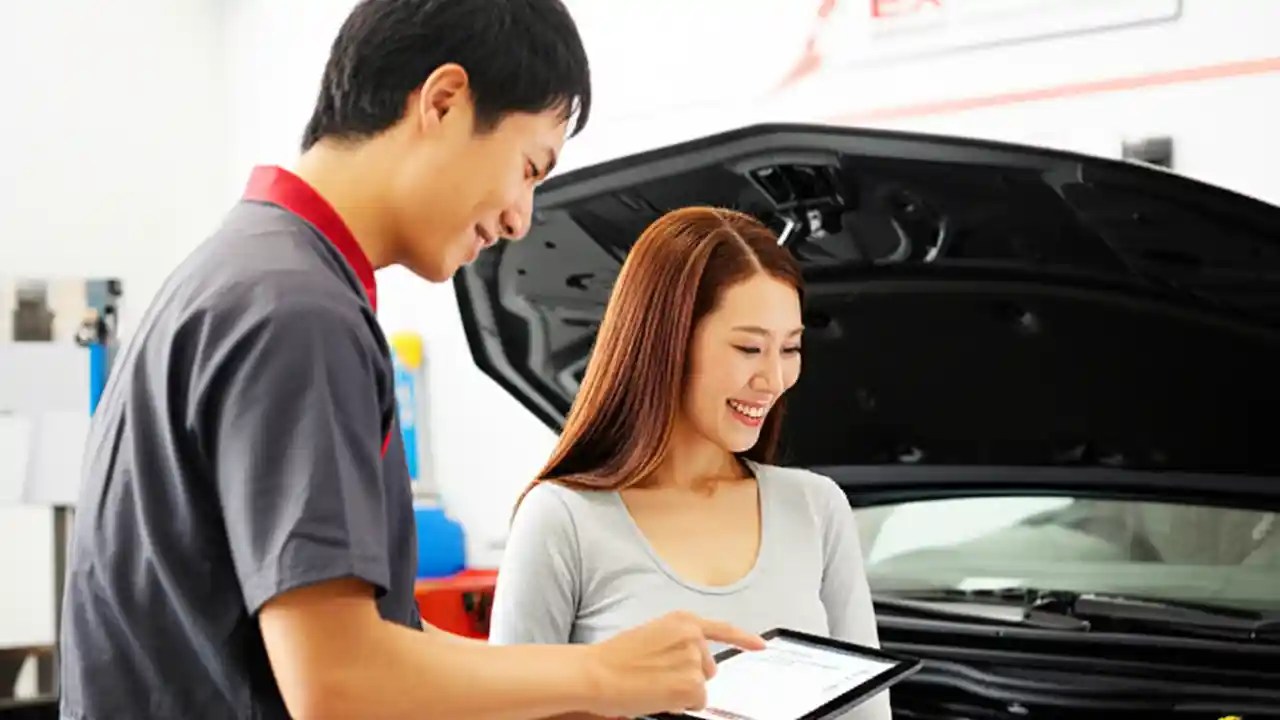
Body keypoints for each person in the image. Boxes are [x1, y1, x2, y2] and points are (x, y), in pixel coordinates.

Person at [57, 2, 763, 719]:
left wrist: (584, 680)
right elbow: (337, 683)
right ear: (445, 101)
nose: (522, 217)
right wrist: (603, 677)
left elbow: (376, 643)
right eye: (528, 168)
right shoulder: (298, 312)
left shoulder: (250, 271)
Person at [488, 206, 893, 719]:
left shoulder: (816, 508)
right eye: (749, 348)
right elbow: (507, 707)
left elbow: (868, 715)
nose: (773, 379)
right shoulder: (562, 519)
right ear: (669, 341)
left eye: (789, 348)